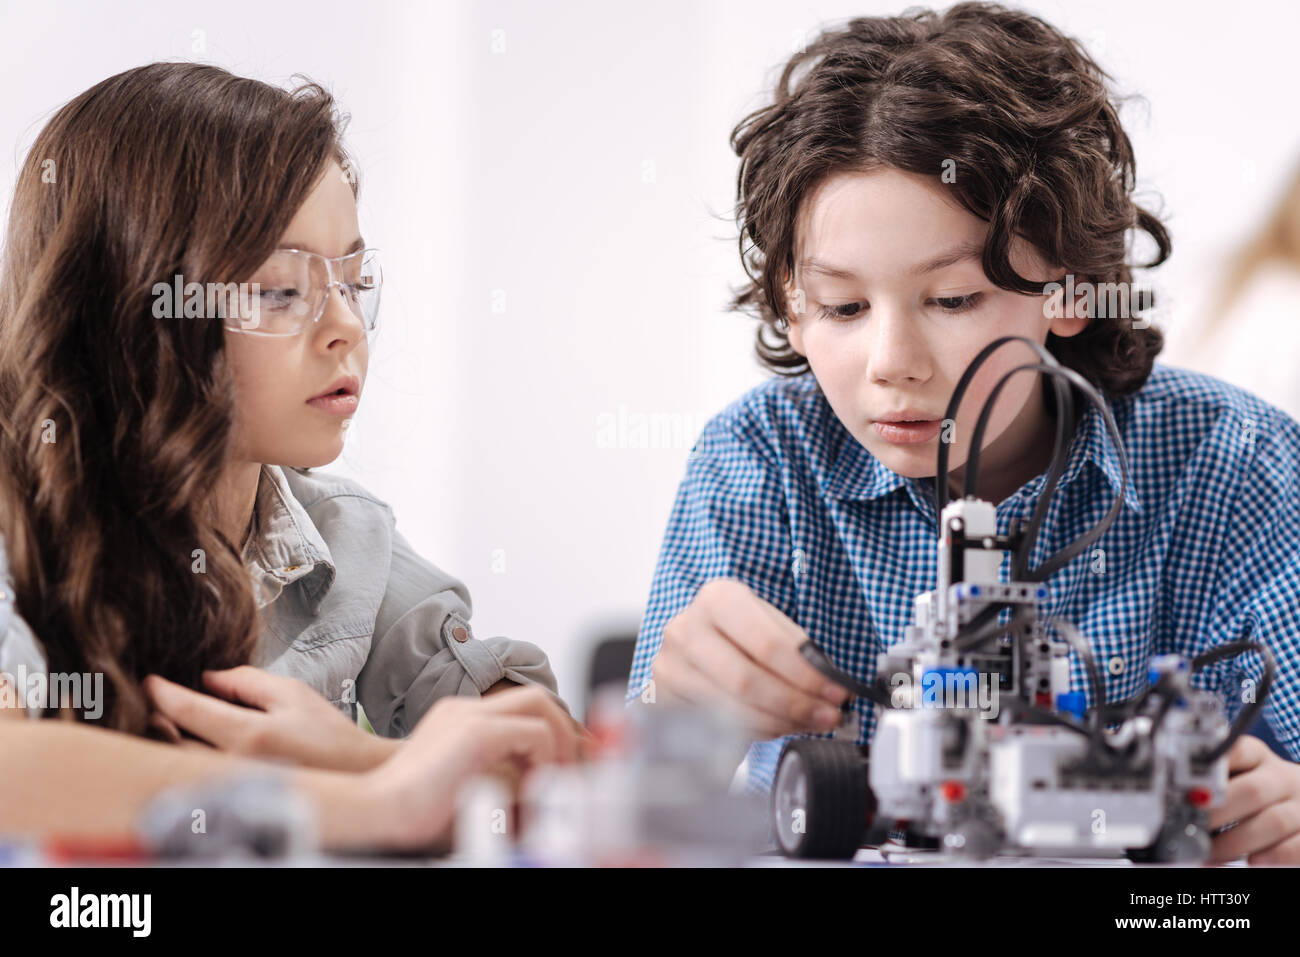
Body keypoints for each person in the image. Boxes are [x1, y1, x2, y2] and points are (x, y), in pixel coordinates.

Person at [628, 3, 1300, 864]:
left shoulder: (1230, 461)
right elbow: (643, 821)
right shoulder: (759, 462)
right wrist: (672, 716)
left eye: (951, 300)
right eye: (842, 306)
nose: (892, 362)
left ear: (1064, 283)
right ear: (790, 305)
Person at [0, 62, 583, 843]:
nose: (346, 325)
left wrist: (352, 755)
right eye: (280, 290)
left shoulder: (348, 538)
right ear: (136, 309)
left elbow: (550, 762)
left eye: (354, 279)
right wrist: (364, 796)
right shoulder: (20, 523)